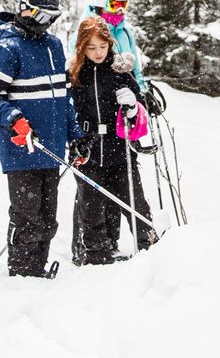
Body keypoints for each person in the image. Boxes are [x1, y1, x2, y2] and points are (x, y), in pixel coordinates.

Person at [0, 0, 91, 278]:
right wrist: (14, 118)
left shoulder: (54, 47)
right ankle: (21, 272)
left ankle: (37, 269)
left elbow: (62, 101)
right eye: (40, 15)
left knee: (47, 218)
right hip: (23, 149)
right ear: (24, 8)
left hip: (51, 150)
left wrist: (76, 137)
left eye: (51, 18)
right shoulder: (8, 48)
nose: (45, 23)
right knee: (27, 216)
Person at [67, 16, 157, 264]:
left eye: (102, 47)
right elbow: (65, 111)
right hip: (88, 146)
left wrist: (131, 106)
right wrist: (74, 138)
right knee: (92, 205)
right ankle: (97, 254)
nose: (98, 53)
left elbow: (138, 113)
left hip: (119, 148)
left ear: (109, 44)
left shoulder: (119, 72)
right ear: (82, 47)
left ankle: (151, 250)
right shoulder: (75, 74)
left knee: (134, 201)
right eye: (91, 47)